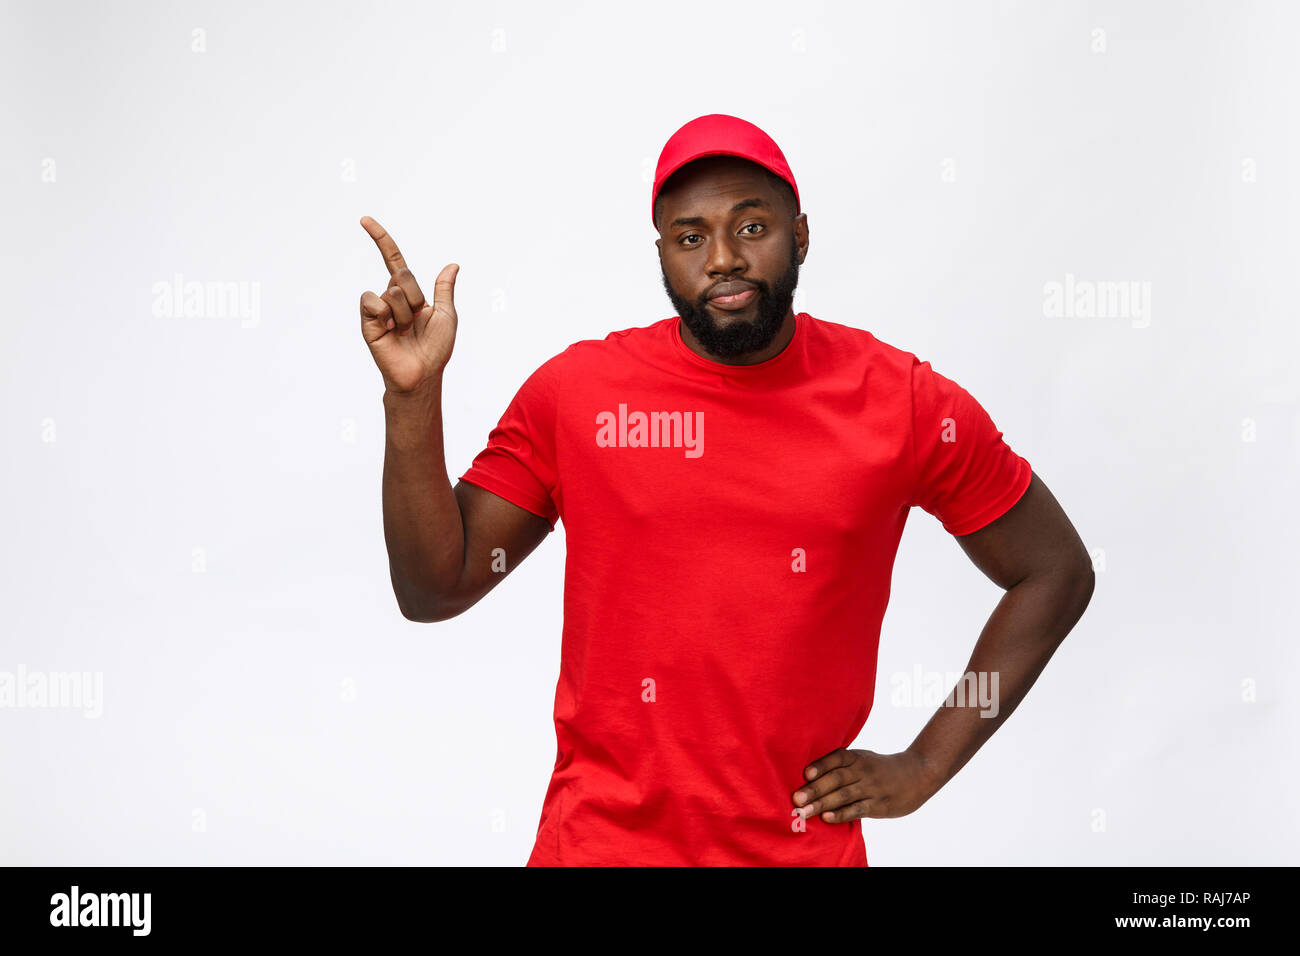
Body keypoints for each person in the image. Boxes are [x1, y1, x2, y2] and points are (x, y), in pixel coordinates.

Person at [357, 114, 1095, 866]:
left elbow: (1054, 571)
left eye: (751, 227)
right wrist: (412, 401)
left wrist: (929, 762)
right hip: (599, 849)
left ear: (800, 237)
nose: (722, 259)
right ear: (662, 255)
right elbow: (433, 589)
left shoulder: (902, 403)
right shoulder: (578, 396)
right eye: (690, 237)